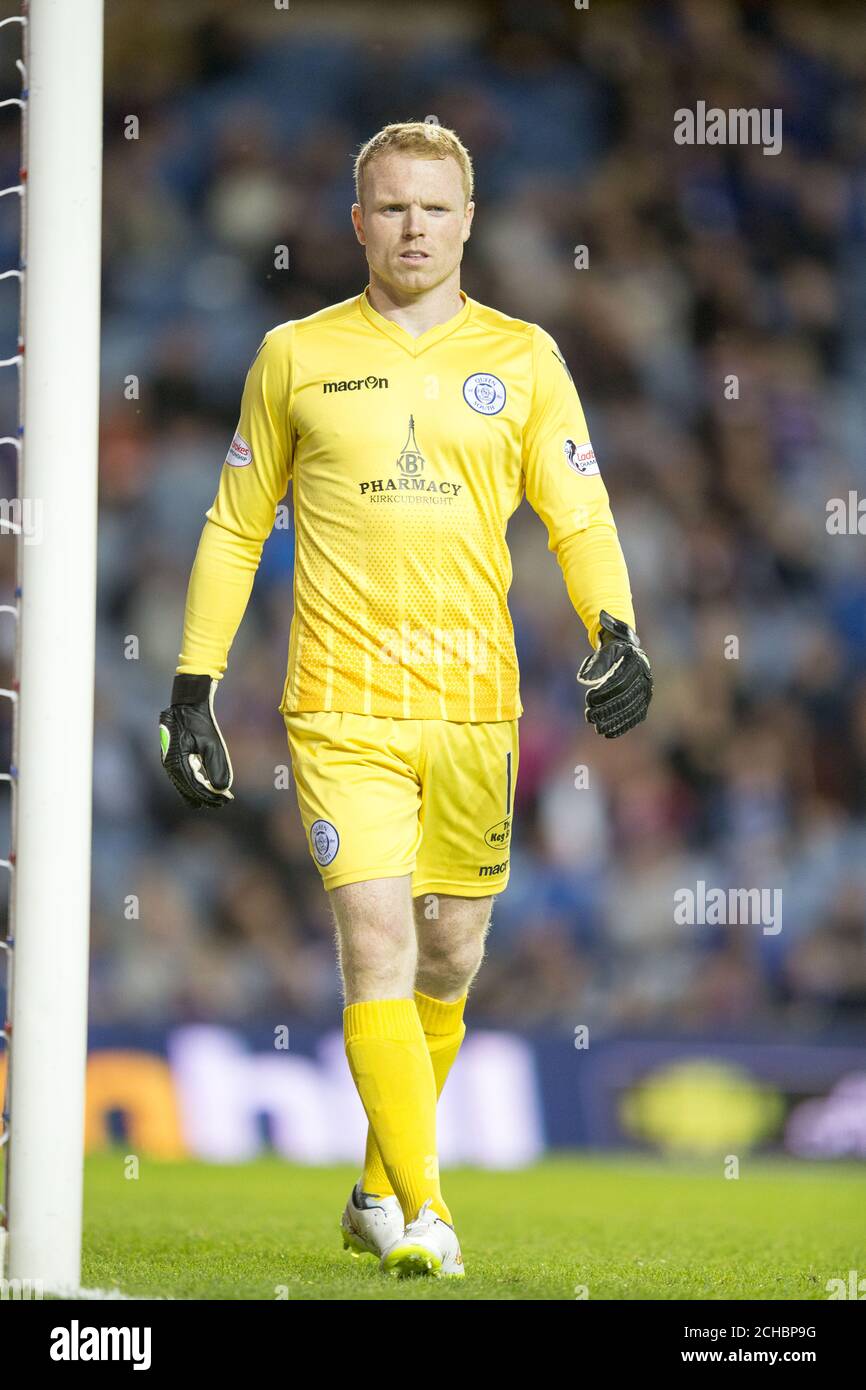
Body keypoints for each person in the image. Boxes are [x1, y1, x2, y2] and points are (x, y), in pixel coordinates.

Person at [158, 121, 652, 1279]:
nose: (413, 227)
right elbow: (235, 527)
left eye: (433, 207)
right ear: (356, 222)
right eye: (389, 208)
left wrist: (613, 630)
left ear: (468, 220)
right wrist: (192, 689)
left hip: (477, 708)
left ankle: (375, 1185)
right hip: (339, 705)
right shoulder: (295, 354)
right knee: (375, 941)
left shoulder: (526, 358)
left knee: (449, 956)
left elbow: (577, 515)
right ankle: (426, 1211)